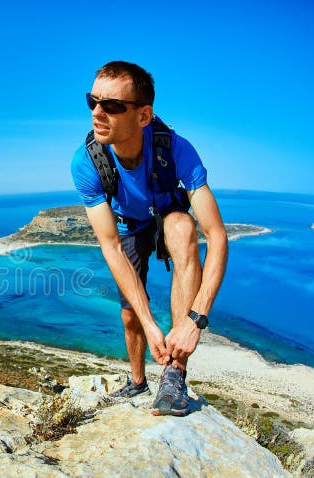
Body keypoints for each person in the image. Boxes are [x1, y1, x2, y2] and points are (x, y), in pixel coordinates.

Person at [71, 60, 229, 416]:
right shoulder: (86, 162)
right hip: (128, 225)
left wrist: (194, 321)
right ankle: (138, 380)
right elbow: (110, 246)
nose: (98, 112)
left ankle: (174, 376)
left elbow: (217, 236)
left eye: (112, 105)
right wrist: (149, 322)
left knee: (183, 228)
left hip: (165, 213)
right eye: (92, 101)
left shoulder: (177, 149)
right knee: (130, 315)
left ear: (143, 116)